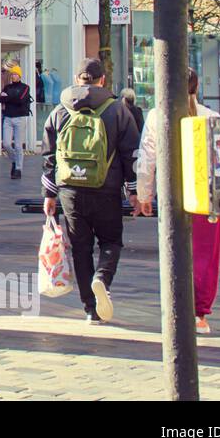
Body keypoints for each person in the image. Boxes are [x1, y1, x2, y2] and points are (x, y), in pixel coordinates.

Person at [135, 69, 220, 335]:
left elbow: (146, 159)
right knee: (205, 255)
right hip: (206, 194)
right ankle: (199, 313)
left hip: (171, 195)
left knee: (175, 251)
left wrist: (144, 195)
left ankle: (174, 305)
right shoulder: (210, 117)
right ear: (196, 88)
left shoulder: (155, 116)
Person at [41, 58, 141, 325]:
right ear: (102, 80)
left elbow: (49, 155)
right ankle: (102, 278)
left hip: (69, 190)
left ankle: (90, 309)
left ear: (77, 79)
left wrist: (49, 194)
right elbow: (131, 154)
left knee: (80, 248)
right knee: (110, 242)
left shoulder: (59, 112)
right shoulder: (118, 110)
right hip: (105, 189)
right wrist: (133, 191)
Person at [0, 64, 32, 179]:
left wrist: (8, 97)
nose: (13, 76)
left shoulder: (25, 87)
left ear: (20, 76)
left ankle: (18, 169)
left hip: (20, 118)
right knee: (6, 144)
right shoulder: (7, 87)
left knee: (18, 145)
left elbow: (21, 100)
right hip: (8, 117)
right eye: (12, 74)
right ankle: (14, 160)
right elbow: (0, 99)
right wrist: (10, 97)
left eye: (15, 74)